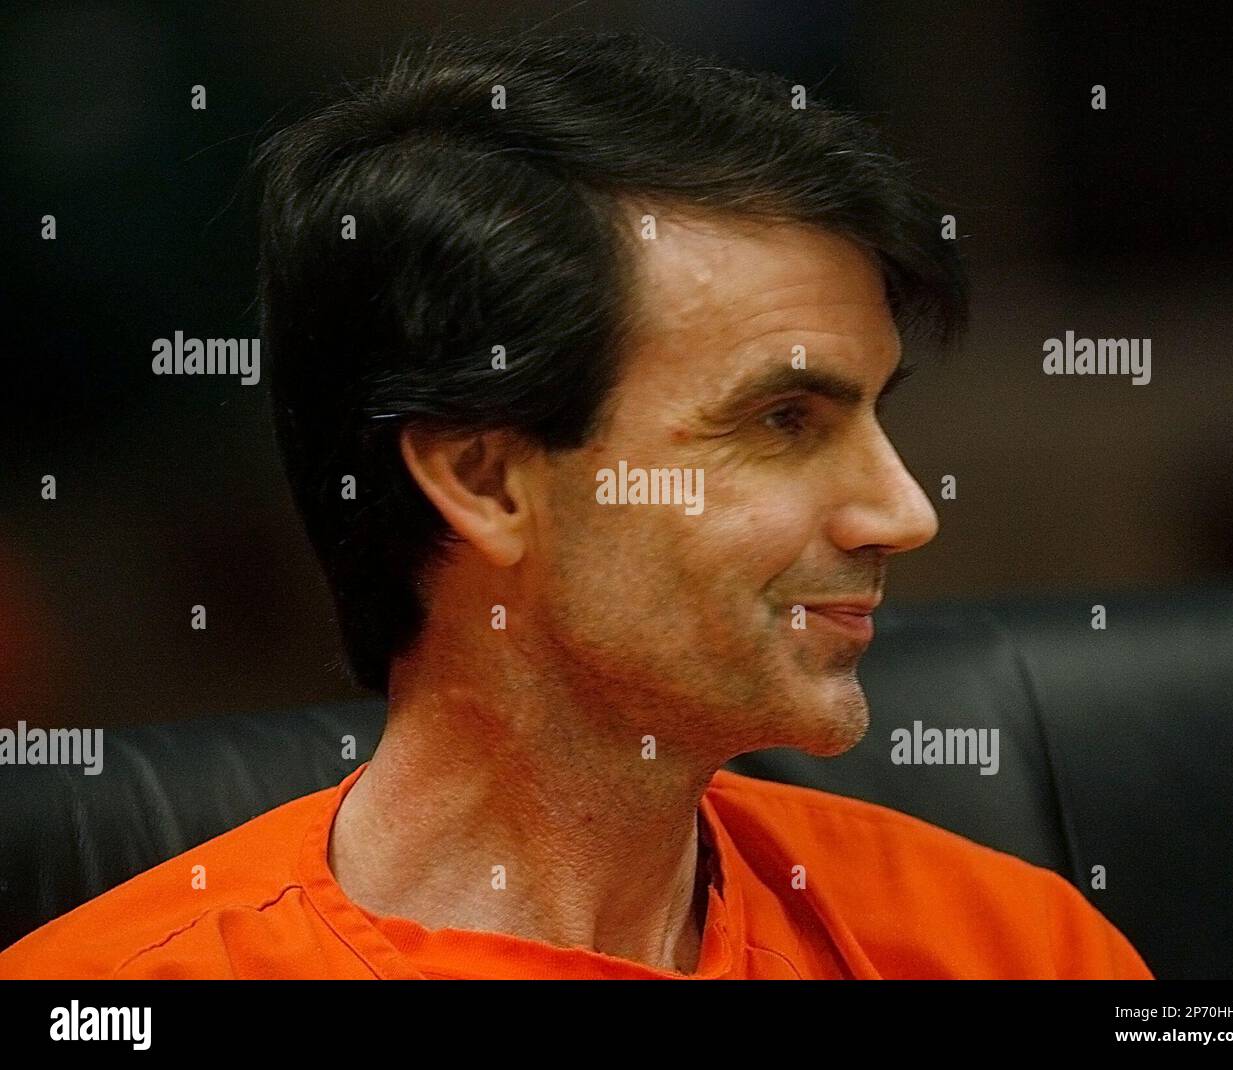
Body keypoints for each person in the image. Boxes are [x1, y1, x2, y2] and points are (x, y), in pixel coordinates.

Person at [0, 29, 1151, 979]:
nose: (901, 512)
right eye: (783, 421)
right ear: (484, 478)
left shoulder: (1009, 944)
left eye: (874, 416)